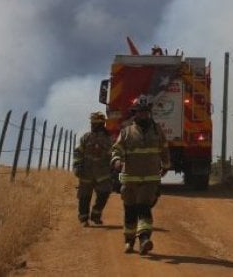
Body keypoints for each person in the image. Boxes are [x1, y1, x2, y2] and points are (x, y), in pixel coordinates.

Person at [110, 94, 170, 255]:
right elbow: (117, 149)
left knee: (144, 207)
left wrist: (166, 165)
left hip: (150, 178)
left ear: (149, 112)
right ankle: (129, 241)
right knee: (130, 210)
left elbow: (164, 149)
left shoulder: (157, 131)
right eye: (140, 112)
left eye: (145, 112)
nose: (143, 114)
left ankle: (144, 240)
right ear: (135, 113)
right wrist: (116, 160)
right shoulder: (127, 132)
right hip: (130, 179)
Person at [72, 111, 115, 226]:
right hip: (86, 173)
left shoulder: (109, 139)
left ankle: (96, 215)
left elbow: (113, 154)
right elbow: (78, 152)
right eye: (92, 123)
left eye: (94, 124)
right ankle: (83, 219)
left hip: (103, 174)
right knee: (84, 197)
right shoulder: (86, 137)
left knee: (104, 193)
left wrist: (114, 167)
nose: (92, 126)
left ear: (101, 124)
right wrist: (77, 165)